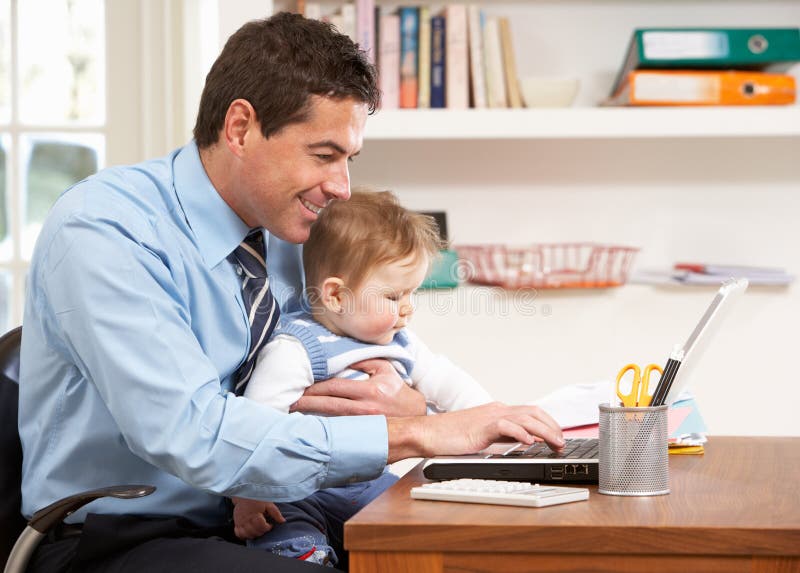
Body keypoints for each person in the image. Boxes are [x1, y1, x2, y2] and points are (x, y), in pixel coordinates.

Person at [18, 12, 564, 573]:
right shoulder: (107, 230)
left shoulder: (297, 232)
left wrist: (414, 407)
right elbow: (192, 434)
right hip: (125, 533)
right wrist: (416, 432)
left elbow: (372, 355)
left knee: (495, 552)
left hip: (283, 507)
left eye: (349, 160)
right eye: (324, 155)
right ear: (240, 129)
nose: (342, 187)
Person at [234, 190, 494, 567]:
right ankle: (310, 557)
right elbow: (256, 422)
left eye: (411, 293)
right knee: (285, 530)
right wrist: (248, 495)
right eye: (393, 296)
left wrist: (491, 420)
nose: (408, 308)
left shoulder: (401, 343)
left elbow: (448, 381)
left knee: (419, 512)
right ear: (337, 296)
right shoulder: (297, 346)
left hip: (368, 484)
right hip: (297, 489)